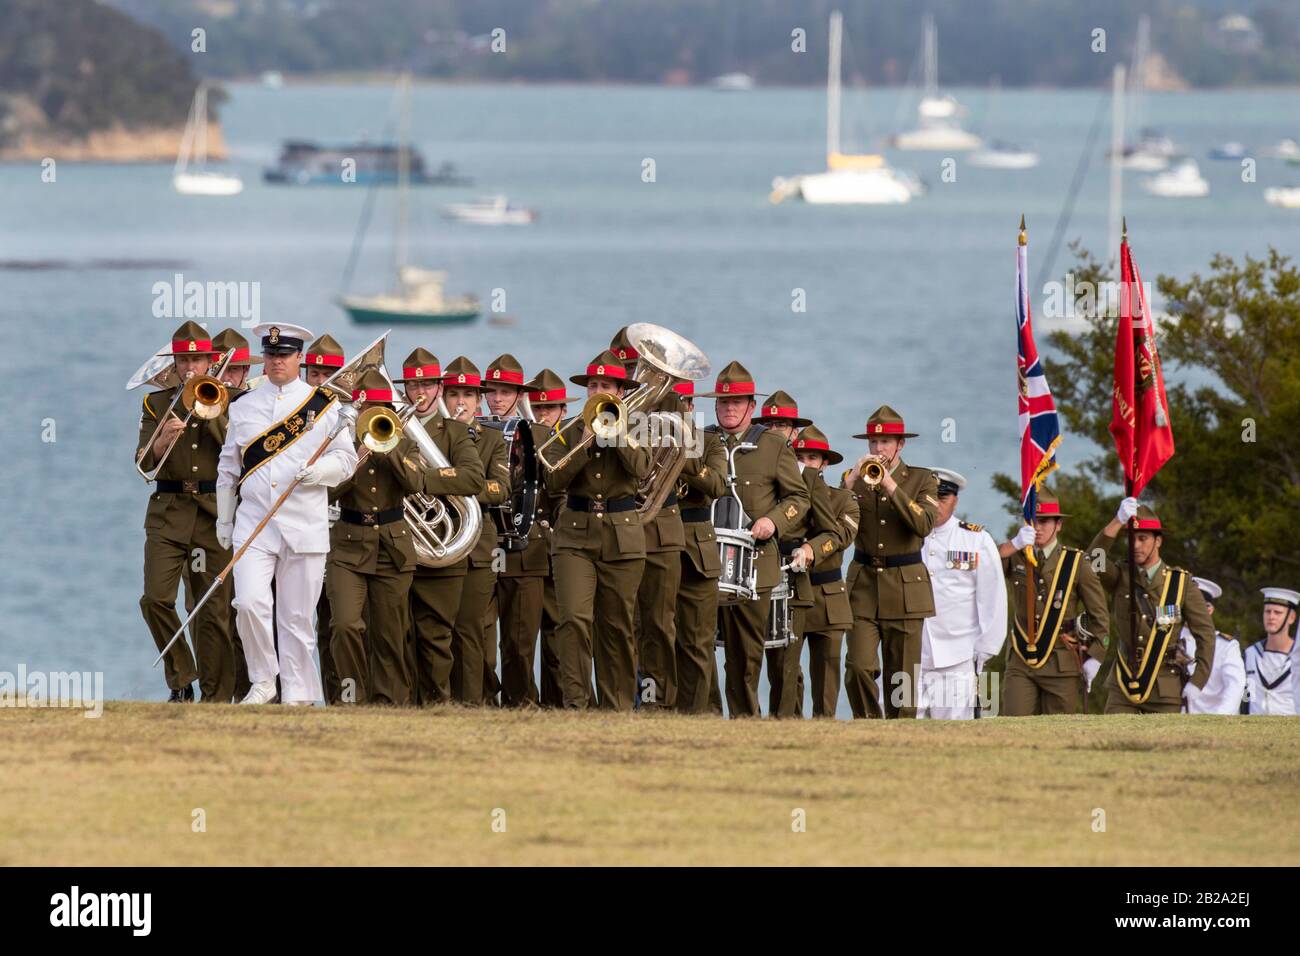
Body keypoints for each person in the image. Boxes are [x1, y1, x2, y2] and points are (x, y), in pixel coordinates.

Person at [216, 322, 357, 705]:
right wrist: (224, 520)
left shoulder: (323, 406)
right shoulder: (243, 406)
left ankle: (298, 692)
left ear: (299, 358)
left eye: (285, 355)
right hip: (255, 523)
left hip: (304, 522)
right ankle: (263, 681)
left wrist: (320, 474)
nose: (277, 361)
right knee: (248, 602)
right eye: (271, 354)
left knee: (295, 619)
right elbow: (228, 468)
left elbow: (347, 460)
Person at [542, 350, 651, 710]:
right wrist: (585, 442)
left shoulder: (637, 426)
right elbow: (553, 478)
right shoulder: (569, 429)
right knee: (573, 619)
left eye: (605, 386)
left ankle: (617, 707)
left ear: (620, 392)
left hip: (622, 536)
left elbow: (641, 469)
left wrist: (616, 432)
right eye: (592, 386)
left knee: (616, 626)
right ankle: (576, 704)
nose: (597, 392)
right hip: (574, 536)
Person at [702, 362, 809, 717]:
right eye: (723, 402)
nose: (729, 408)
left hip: (754, 566)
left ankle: (746, 723)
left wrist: (773, 521)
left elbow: (799, 499)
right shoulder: (702, 441)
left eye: (738, 402)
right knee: (699, 647)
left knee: (745, 658)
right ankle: (709, 718)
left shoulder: (773, 445)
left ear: (751, 406)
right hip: (705, 563)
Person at [136, 321, 232, 702]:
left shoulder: (233, 399)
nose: (191, 367)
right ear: (174, 363)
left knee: (213, 611)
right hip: (168, 510)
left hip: (213, 512)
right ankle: (181, 678)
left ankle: (217, 697)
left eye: (197, 360)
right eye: (184, 360)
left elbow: (237, 452)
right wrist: (159, 442)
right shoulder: (156, 403)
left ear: (210, 361)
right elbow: (143, 465)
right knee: (155, 598)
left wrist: (210, 411)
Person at [324, 368, 429, 705]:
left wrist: (390, 445)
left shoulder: (408, 445)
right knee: (344, 625)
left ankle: (391, 703)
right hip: (347, 546)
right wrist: (354, 458)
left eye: (381, 411)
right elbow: (327, 494)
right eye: (367, 411)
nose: (374, 417)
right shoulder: (340, 446)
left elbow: (415, 485)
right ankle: (353, 697)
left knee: (390, 634)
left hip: (392, 548)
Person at [393, 349, 485, 705]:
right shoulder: (388, 427)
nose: (420, 392)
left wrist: (419, 478)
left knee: (435, 636)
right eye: (413, 384)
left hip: (441, 550)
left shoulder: (457, 432)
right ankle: (398, 707)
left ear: (438, 388)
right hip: (399, 547)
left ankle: (436, 705)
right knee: (395, 633)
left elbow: (474, 478)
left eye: (427, 384)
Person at [841, 405, 938, 719]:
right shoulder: (854, 479)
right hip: (863, 585)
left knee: (903, 681)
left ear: (901, 445)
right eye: (873, 442)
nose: (878, 449)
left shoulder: (922, 479)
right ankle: (868, 725)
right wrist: (853, 478)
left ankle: (900, 734)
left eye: (885, 442)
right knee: (858, 666)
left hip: (906, 587)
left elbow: (923, 524)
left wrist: (890, 486)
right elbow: (831, 516)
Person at [1091, 499, 1215, 714]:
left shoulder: (1180, 583)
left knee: (1164, 745)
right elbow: (1093, 561)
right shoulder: (1120, 575)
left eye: (1143, 538)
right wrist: (1117, 521)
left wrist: (1198, 681)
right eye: (1131, 539)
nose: (1136, 545)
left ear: (1158, 541)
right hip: (1123, 682)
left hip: (1164, 685)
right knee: (1113, 741)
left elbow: (1206, 634)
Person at [996, 489, 1110, 715]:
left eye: (1045, 522)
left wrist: (1096, 657)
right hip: (1021, 659)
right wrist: (1014, 543)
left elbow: (1100, 616)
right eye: (1033, 521)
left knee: (1060, 731)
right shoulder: (1016, 554)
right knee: (1013, 725)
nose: (1038, 527)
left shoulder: (1076, 562)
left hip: (1061, 662)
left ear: (1059, 525)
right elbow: (987, 562)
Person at [441, 356, 510, 705]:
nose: (461, 402)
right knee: (436, 627)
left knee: (468, 625)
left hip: (478, 545)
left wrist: (455, 487)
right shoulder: (429, 436)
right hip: (437, 540)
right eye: (454, 394)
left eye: (468, 394)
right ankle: (437, 700)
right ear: (444, 396)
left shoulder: (492, 439)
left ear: (479, 400)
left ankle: (472, 702)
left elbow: (501, 488)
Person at [483, 353, 546, 707]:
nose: (497, 399)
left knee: (520, 643)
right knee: (477, 636)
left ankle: (523, 704)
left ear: (520, 395)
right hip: (483, 547)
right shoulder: (472, 431)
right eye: (491, 391)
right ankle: (484, 701)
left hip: (527, 550)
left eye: (505, 392)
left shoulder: (542, 434)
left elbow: (552, 492)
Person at [917, 468, 1007, 719]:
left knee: (955, 732)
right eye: (929, 498)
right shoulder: (907, 535)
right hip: (910, 652)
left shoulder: (975, 540)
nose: (934, 505)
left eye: (942, 499)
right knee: (896, 727)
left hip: (957, 655)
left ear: (955, 501)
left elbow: (993, 599)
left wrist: (985, 649)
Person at [754, 390, 819, 718]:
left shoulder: (809, 476)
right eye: (770, 424)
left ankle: (787, 724)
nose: (776, 430)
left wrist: (810, 547)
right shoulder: (750, 462)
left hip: (790, 576)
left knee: (785, 663)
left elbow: (832, 530)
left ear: (795, 432)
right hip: (751, 568)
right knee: (747, 654)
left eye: (783, 425)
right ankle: (746, 719)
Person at [520, 369, 579, 707]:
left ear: (563, 412)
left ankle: (559, 704)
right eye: (537, 408)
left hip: (560, 544)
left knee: (559, 637)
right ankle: (523, 704)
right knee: (522, 638)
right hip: (527, 547)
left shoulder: (572, 439)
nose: (541, 415)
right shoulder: (520, 437)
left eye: (549, 409)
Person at [789, 426, 857, 717]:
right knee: (787, 672)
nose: (806, 464)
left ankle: (824, 731)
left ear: (825, 463)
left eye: (812, 458)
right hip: (790, 593)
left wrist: (808, 549)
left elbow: (840, 537)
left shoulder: (844, 500)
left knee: (826, 680)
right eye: (799, 457)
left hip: (828, 597)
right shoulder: (781, 499)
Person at [670, 379, 728, 714]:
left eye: (683, 403)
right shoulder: (641, 434)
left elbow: (717, 485)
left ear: (691, 407)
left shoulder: (709, 441)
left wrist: (685, 449)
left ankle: (703, 713)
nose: (678, 409)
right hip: (654, 540)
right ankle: (659, 707)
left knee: (697, 640)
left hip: (695, 545)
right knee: (655, 633)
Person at [304, 333, 346, 703]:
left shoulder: (353, 416)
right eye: (315, 374)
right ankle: (293, 697)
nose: (322, 382)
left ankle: (340, 699)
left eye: (329, 375)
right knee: (297, 618)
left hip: (343, 535)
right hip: (301, 529)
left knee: (337, 623)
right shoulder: (290, 415)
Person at [1180, 577, 1245, 715]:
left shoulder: (1225, 646)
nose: (1189, 611)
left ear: (1209, 610)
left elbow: (1235, 687)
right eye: (1185, 604)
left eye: (1196, 606)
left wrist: (1219, 719)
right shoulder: (1169, 640)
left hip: (1209, 723)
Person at [1242, 587, 1298, 715]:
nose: (1271, 617)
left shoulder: (1297, 656)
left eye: (1277, 613)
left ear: (1291, 617)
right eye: (1267, 611)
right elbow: (1247, 696)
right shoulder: (1250, 654)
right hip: (1252, 729)